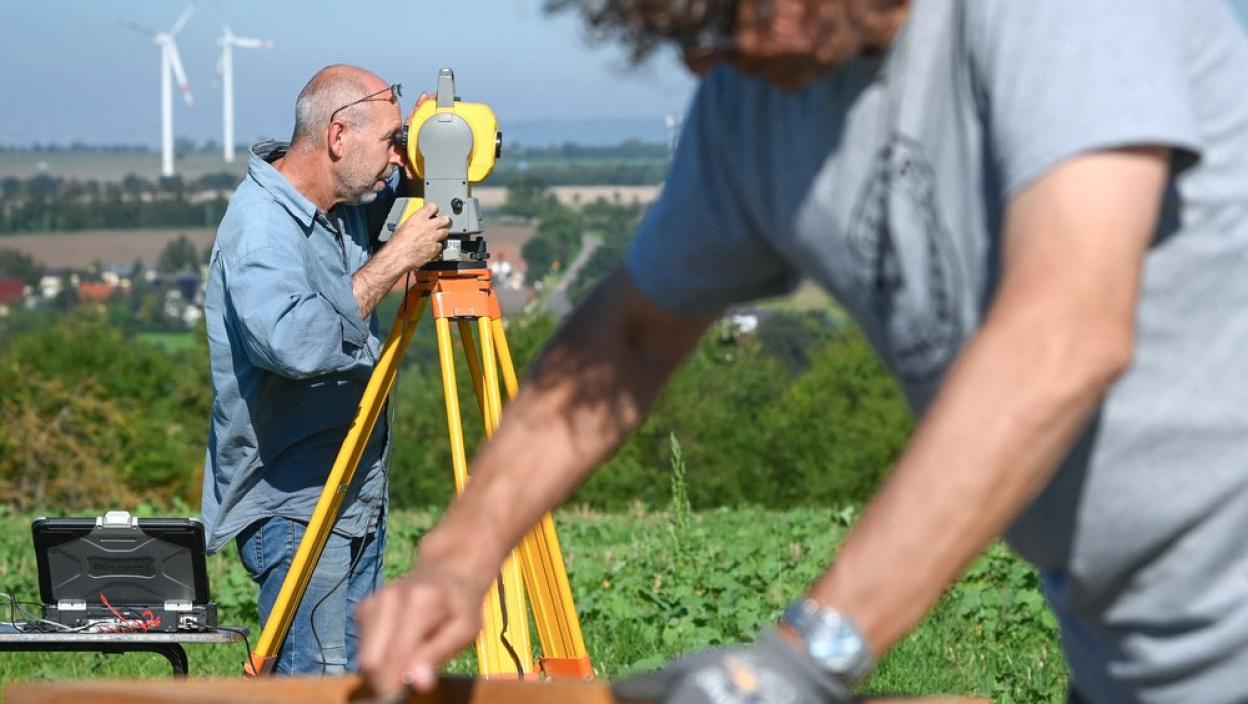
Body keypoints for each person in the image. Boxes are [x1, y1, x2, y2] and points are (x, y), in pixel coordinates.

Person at [356, 1, 1248, 701]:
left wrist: (808, 656)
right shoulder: (757, 77)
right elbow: (627, 335)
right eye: (688, 29)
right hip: (1136, 657)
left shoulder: (1059, 16)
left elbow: (1064, 336)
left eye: (732, 13)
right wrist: (456, 561)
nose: (713, 57)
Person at [201, 64, 449, 674]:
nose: (394, 158)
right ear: (339, 135)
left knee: (360, 680)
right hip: (294, 503)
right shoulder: (262, 230)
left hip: (352, 488)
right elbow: (293, 344)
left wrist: (425, 157)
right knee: (315, 684)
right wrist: (393, 263)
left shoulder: (339, 203)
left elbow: (395, 206)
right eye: (391, 140)